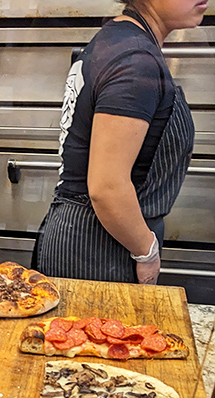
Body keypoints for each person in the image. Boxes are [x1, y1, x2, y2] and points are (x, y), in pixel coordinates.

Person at [35, 0, 207, 285]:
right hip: (101, 248)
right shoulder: (135, 60)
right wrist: (146, 251)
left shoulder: (118, 40)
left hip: (86, 236)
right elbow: (107, 187)